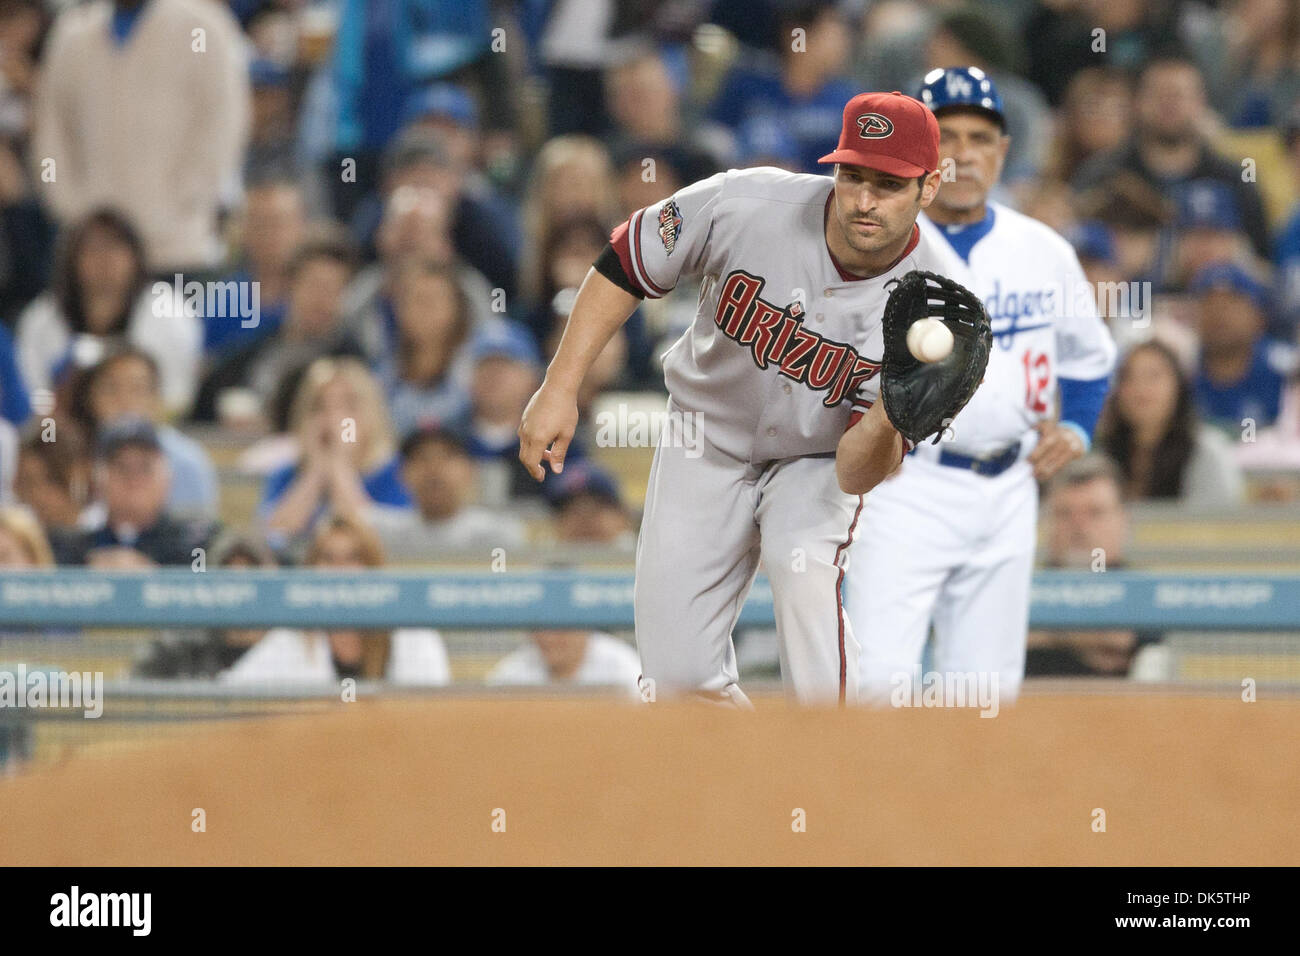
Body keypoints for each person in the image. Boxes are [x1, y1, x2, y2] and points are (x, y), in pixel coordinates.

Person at [519, 90, 971, 705]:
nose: (864, 201)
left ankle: (838, 765)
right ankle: (749, 785)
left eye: (888, 184)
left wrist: (892, 415)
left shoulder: (936, 305)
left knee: (800, 562)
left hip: (820, 455)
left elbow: (856, 469)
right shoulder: (748, 202)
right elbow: (628, 258)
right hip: (705, 435)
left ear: (930, 185)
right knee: (676, 681)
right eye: (853, 175)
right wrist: (559, 386)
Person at [845, 69, 1117, 704]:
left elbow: (1089, 358)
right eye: (947, 137)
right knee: (875, 687)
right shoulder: (877, 244)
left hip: (1008, 490)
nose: (964, 154)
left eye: (980, 137)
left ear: (1003, 151)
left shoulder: (1042, 250)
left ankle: (968, 809)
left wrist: (1076, 426)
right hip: (904, 487)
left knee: (985, 699)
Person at [31, 0, 249, 273]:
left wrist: (187, 197)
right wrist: (67, 204)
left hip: (177, 243)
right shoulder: (73, 33)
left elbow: (224, 121)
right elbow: (51, 132)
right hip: (93, 246)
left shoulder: (202, 28)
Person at [221, 514, 451, 686]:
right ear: (311, 568)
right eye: (329, 559)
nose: (340, 570)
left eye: (352, 558)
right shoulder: (293, 636)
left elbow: (435, 711)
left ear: (373, 567)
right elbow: (232, 692)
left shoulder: (412, 633)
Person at [15, 209, 201, 416]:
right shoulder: (41, 319)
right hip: (66, 433)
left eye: (115, 247)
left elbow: (178, 395)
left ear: (135, 255)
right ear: (72, 258)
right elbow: (33, 395)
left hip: (146, 432)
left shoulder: (169, 312)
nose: (105, 259)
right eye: (92, 249)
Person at [1025, 454, 1164, 677]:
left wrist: (1043, 632)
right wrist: (1090, 637)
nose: (1079, 526)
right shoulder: (1024, 586)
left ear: (1122, 521)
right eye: (1065, 514)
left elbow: (1128, 639)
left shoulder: (1142, 589)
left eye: (1095, 513)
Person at [260, 357, 411, 550]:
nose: (334, 418)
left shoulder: (396, 473)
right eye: (321, 407)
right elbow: (274, 538)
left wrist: (340, 463)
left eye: (348, 406)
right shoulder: (284, 475)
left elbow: (372, 542)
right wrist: (316, 471)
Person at [69, 347, 218, 519]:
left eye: (137, 389)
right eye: (111, 389)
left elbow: (197, 536)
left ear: (157, 399)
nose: (124, 400)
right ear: (90, 398)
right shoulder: (73, 454)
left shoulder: (187, 462)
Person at [1095, 339, 1246, 508]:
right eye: (1128, 377)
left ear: (1179, 385)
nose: (1140, 387)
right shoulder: (1102, 453)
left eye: (1153, 376)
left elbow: (1216, 524)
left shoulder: (1208, 451)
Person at [51, 417, 216, 567]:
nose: (133, 479)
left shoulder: (198, 544)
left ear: (167, 477)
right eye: (121, 467)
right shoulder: (68, 549)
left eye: (145, 467)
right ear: (98, 479)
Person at [131, 532, 277, 679]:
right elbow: (134, 686)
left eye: (250, 579)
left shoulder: (284, 647)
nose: (238, 594)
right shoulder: (182, 645)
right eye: (229, 579)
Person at [370, 425, 525, 557]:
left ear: (469, 470)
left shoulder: (498, 535)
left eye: (446, 457)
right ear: (402, 474)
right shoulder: (385, 534)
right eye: (422, 458)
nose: (433, 470)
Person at [1191, 262, 1296, 431]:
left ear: (1260, 316)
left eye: (1232, 303)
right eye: (1209, 303)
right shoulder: (1180, 370)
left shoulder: (1288, 369)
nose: (1219, 313)